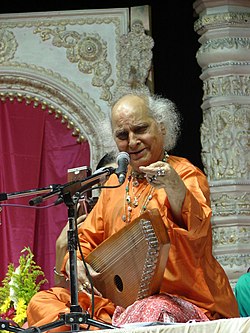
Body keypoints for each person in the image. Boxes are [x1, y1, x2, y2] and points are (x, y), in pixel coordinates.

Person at [27, 91, 239, 331]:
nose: (133, 141)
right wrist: (75, 261)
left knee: (151, 308)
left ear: (162, 127)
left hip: (185, 300)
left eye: (140, 129)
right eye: (122, 135)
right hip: (119, 302)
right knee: (44, 301)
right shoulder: (115, 185)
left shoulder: (185, 174)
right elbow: (86, 239)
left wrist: (173, 186)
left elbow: (197, 230)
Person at [54, 151, 117, 287]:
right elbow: (62, 289)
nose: (114, 184)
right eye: (107, 178)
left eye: (119, 178)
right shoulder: (87, 220)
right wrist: (61, 248)